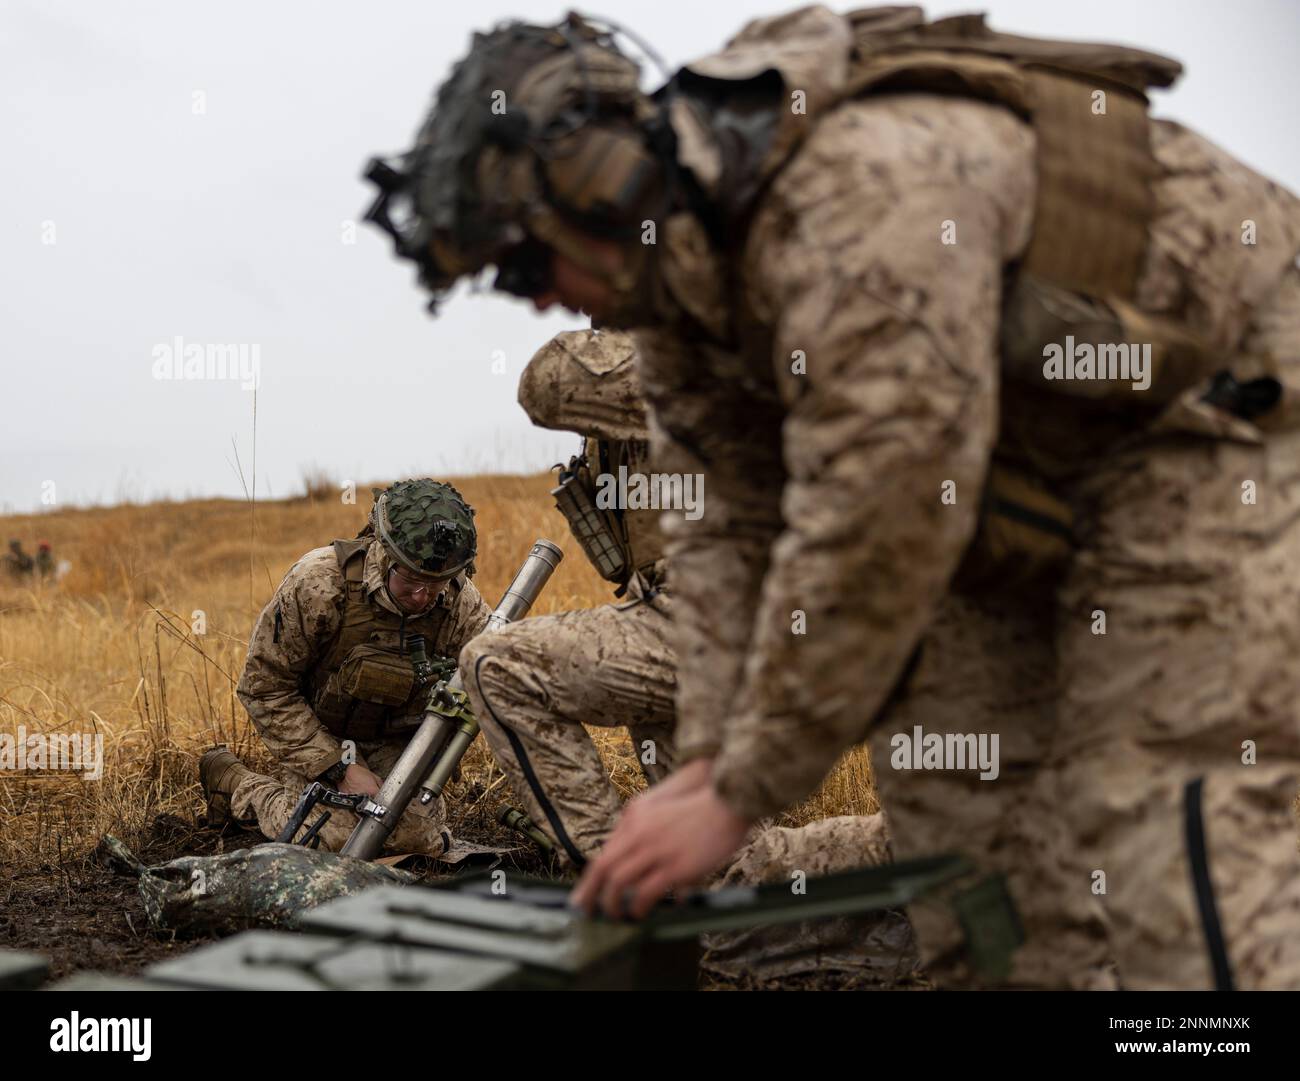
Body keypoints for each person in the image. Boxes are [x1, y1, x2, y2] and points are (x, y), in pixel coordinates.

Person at [364, 7, 1300, 989]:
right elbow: (727, 536)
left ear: (595, 187)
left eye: (524, 261)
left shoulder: (854, 203)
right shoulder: (680, 298)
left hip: (1210, 409)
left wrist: (740, 789)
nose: (539, 301)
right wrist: (709, 762)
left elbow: (880, 511)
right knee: (958, 809)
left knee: (1167, 811)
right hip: (1016, 459)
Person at [461, 325, 914, 981]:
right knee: (725, 872)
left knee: (497, 667)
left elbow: (546, 379)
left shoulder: (697, 337)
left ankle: (613, 896)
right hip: (692, 614)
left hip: (723, 616)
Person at [201, 478, 489, 858]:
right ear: (383, 553)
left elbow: (493, 680)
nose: (422, 597)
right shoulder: (319, 584)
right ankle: (236, 784)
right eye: (411, 581)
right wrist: (339, 767)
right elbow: (265, 688)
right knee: (328, 842)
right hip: (322, 738)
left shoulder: (459, 600)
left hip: (399, 744)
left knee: (417, 841)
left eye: (435, 585)